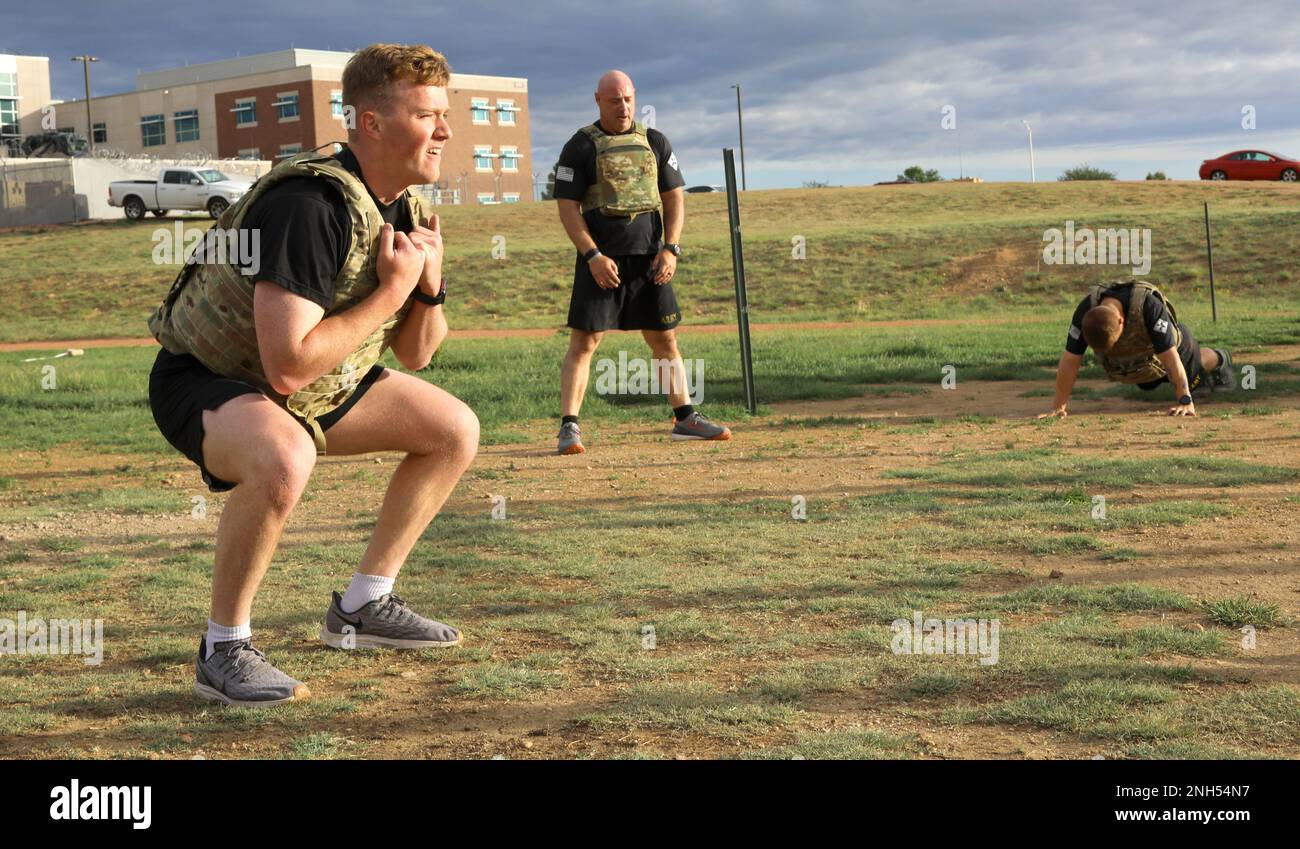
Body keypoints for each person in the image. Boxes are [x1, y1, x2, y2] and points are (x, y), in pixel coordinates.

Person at [147, 44, 478, 707]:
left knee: (452, 430)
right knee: (285, 455)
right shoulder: (309, 205)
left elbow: (416, 354)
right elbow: (287, 363)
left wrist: (429, 288)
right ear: (372, 123)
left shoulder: (401, 206)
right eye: (427, 115)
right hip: (208, 377)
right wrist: (391, 293)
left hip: (312, 383)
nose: (445, 131)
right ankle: (223, 646)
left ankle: (363, 605)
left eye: (445, 115)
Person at [551, 70, 731, 454]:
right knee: (584, 341)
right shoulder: (580, 146)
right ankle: (569, 427)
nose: (624, 107)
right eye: (615, 100)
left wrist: (672, 248)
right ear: (598, 99)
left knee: (665, 339)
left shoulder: (654, 141)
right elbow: (567, 208)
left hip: (650, 257)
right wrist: (592, 255)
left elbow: (675, 198)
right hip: (601, 261)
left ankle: (685, 418)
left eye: (629, 99)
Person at [1040, 279, 1235, 419]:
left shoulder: (1147, 305)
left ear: (1121, 321)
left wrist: (1184, 400)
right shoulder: (1085, 312)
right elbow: (1070, 360)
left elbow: (1170, 357)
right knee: (1148, 384)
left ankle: (1220, 358)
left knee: (1194, 376)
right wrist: (1058, 407)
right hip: (1143, 364)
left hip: (1176, 348)